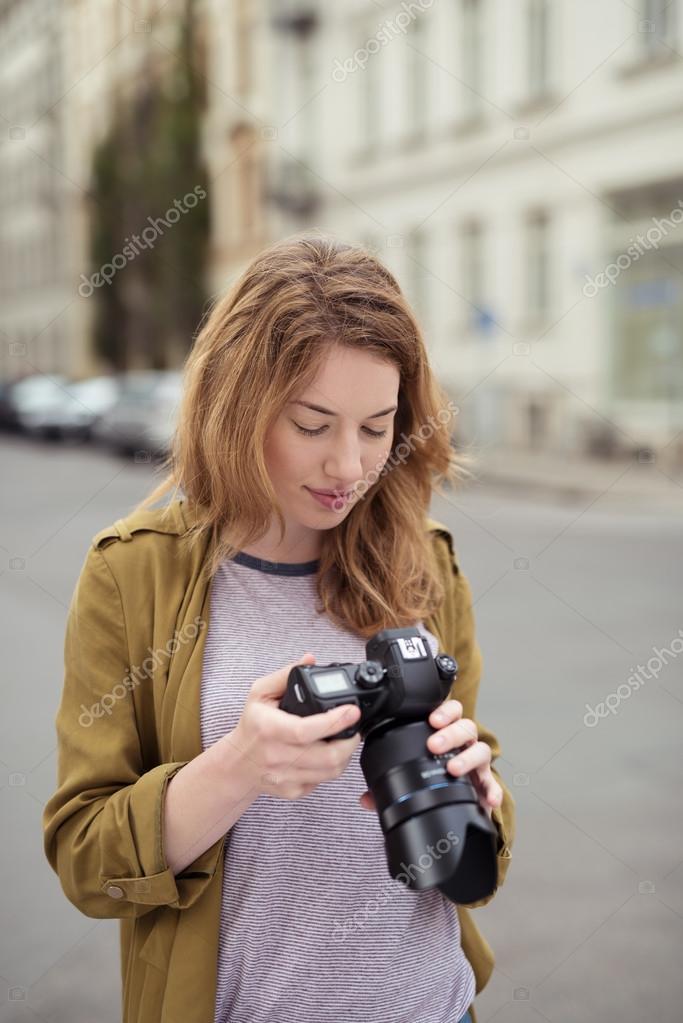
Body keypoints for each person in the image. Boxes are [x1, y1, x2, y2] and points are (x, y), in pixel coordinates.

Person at [43, 233, 515, 1023]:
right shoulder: (131, 575)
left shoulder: (423, 561)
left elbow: (483, 825)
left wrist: (479, 795)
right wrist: (236, 766)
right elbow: (87, 860)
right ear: (237, 405)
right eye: (312, 423)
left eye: (376, 427)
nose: (347, 467)